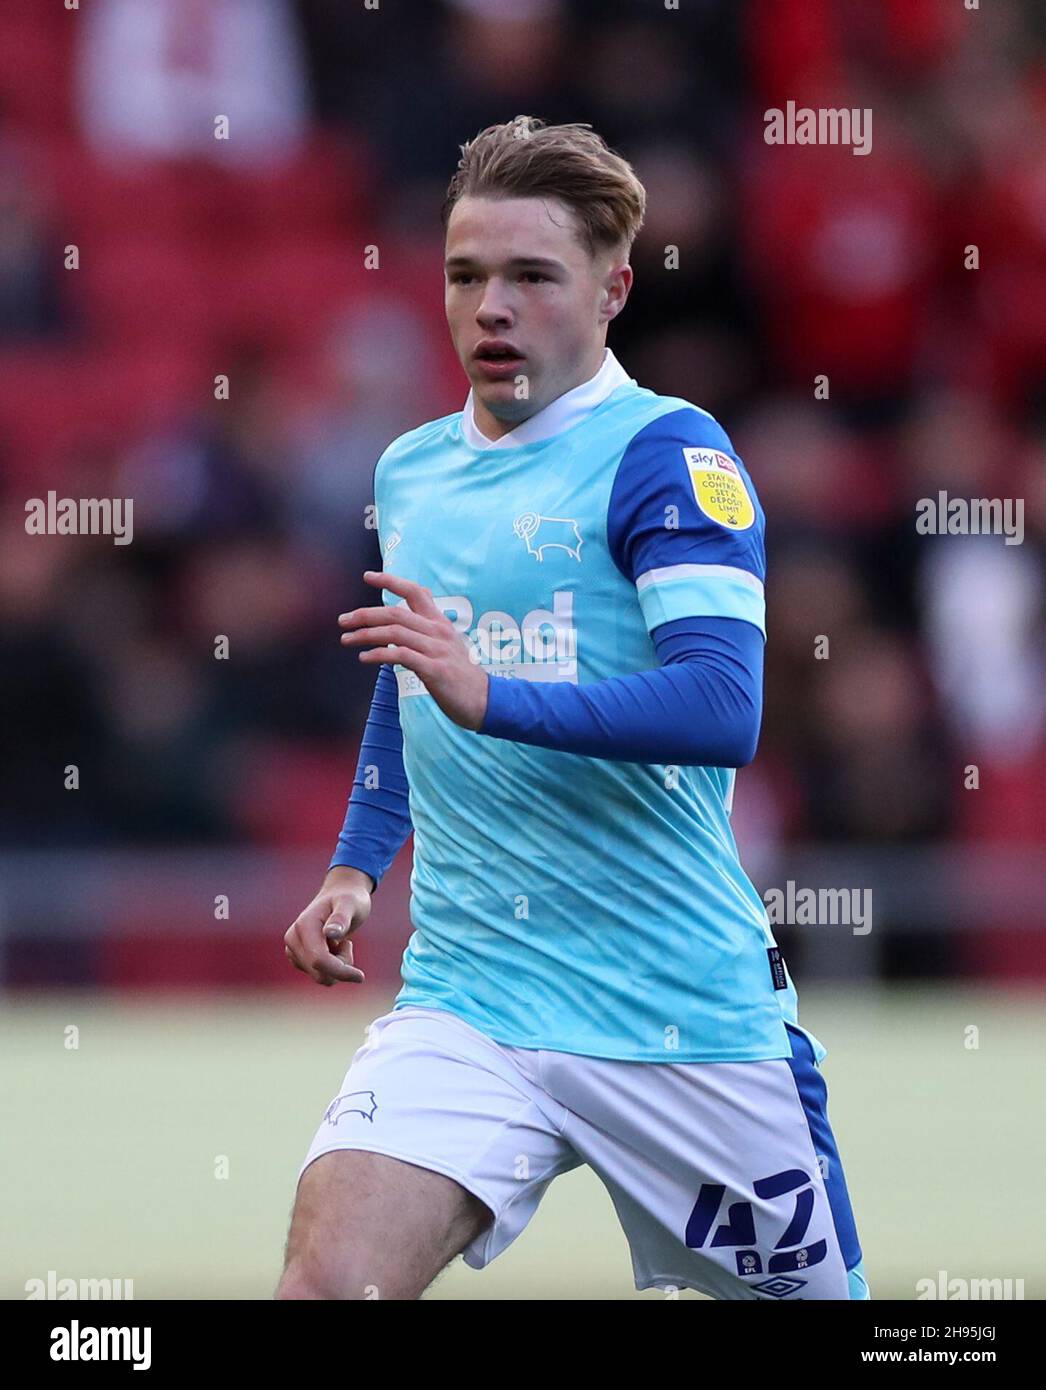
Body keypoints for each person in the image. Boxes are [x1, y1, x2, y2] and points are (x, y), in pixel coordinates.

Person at [278, 116, 867, 1301]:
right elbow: (416, 677)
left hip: (675, 1015)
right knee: (326, 1283)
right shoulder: (409, 469)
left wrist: (489, 693)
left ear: (611, 290)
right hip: (473, 994)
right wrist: (355, 864)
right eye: (464, 274)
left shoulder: (666, 454)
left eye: (530, 276)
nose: (489, 306)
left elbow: (718, 706)